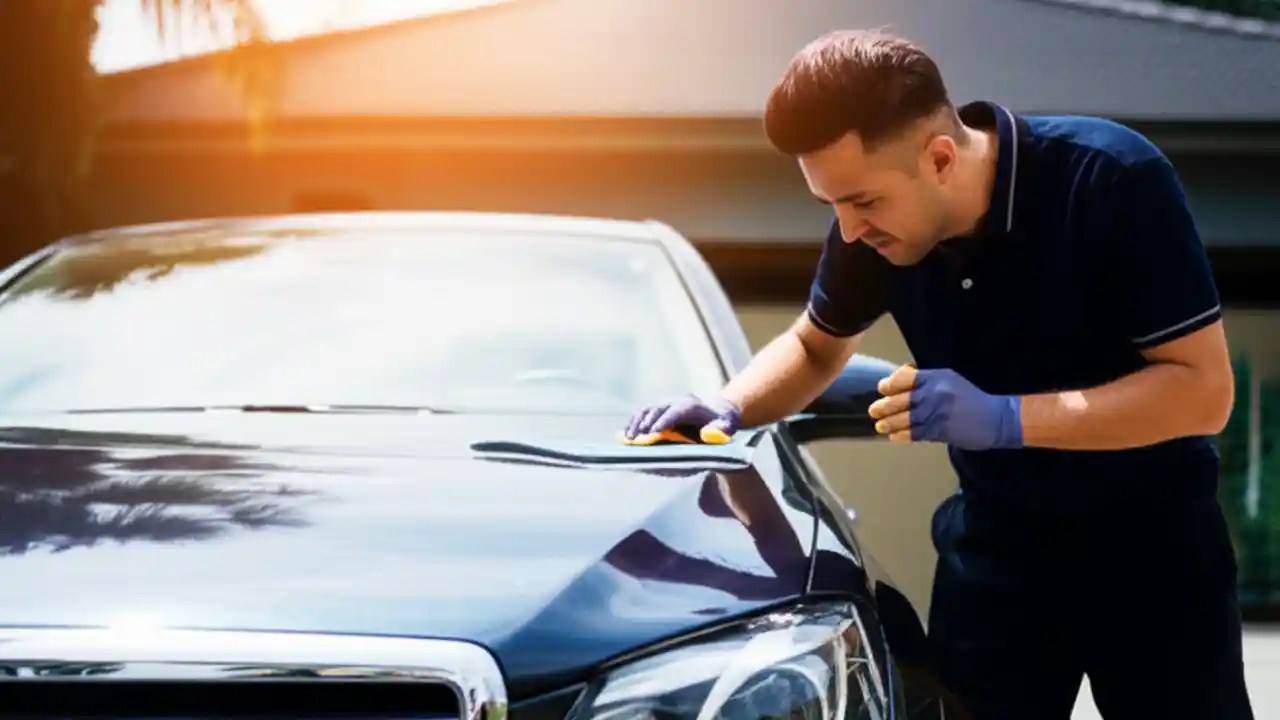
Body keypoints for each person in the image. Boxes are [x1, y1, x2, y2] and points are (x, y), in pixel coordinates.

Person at [621, 29, 1253, 720]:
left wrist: (1006, 419)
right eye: (832, 206)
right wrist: (729, 405)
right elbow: (815, 348)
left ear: (941, 157)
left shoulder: (1111, 179)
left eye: (863, 202)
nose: (849, 231)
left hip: (1154, 556)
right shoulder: (870, 225)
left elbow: (1202, 391)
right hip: (998, 553)